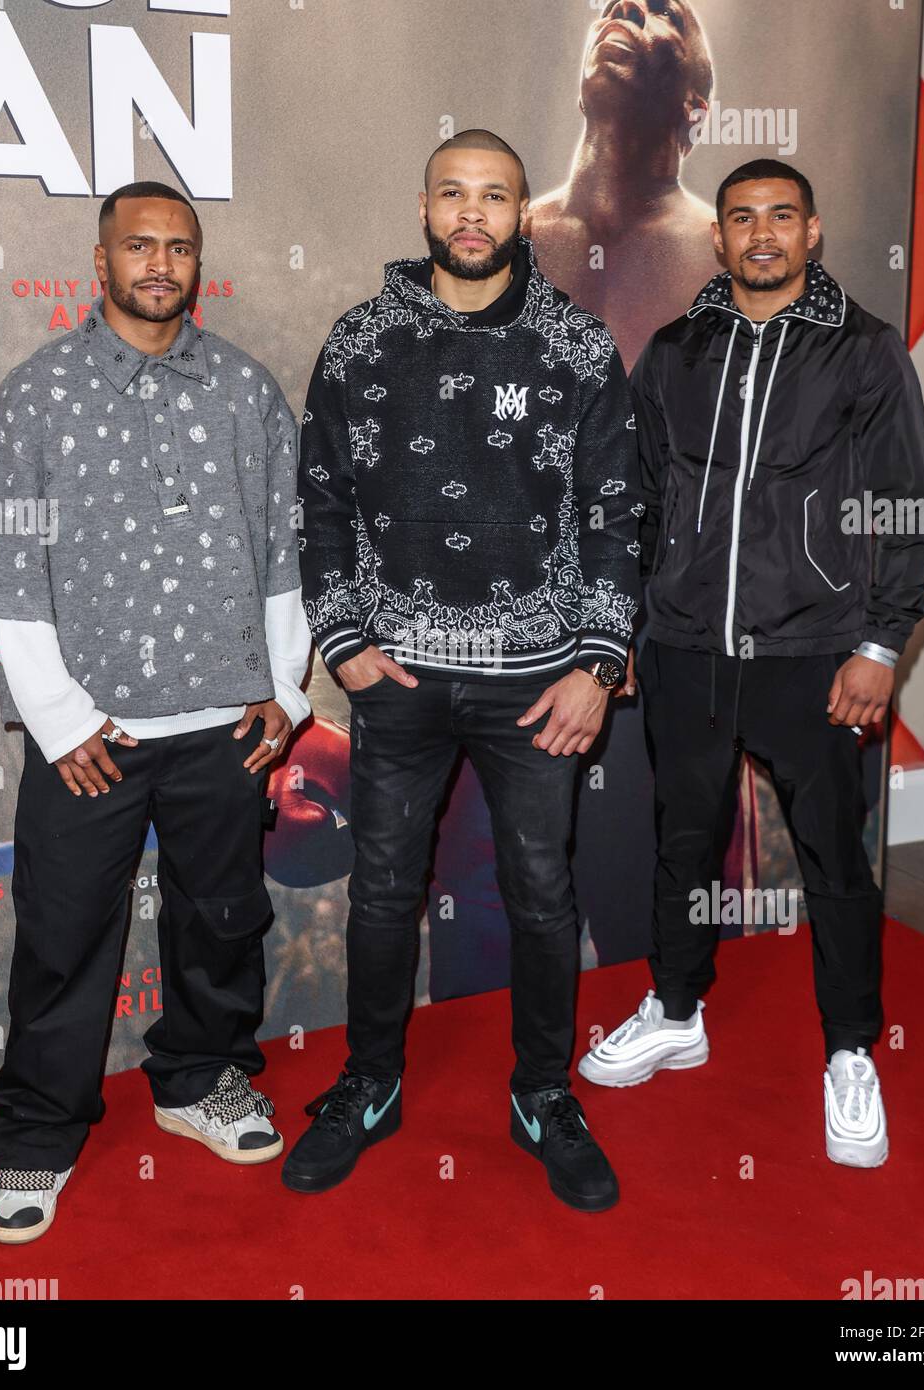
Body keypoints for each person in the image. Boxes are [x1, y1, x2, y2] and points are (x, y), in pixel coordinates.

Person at [0, 181, 311, 1243]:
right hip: (90, 734)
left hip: (224, 726)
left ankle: (199, 1078)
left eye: (178, 247)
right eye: (138, 245)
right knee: (61, 936)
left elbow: (283, 553)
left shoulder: (245, 389)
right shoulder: (36, 392)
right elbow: (4, 567)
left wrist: (285, 693)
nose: (159, 263)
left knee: (223, 921)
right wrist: (60, 719)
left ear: (198, 262)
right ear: (99, 263)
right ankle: (37, 1135)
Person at [287, 130, 641, 1212]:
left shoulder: (577, 346)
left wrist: (598, 660)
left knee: (542, 894)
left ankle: (541, 1093)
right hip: (395, 683)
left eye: (494, 195)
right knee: (385, 891)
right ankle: (371, 1081)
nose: (473, 213)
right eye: (454, 193)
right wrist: (343, 639)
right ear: (426, 207)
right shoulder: (358, 341)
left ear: (521, 212)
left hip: (537, 683)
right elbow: (321, 504)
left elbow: (617, 516)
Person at [580, 160, 924, 1169]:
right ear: (719, 237)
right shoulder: (676, 350)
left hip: (813, 653)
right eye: (741, 218)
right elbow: (641, 500)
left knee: (831, 859)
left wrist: (878, 643)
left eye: (781, 216)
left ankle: (850, 1051)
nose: (761, 234)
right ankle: (676, 1008)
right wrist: (638, 625)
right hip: (686, 649)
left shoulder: (861, 351)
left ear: (811, 232)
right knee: (677, 842)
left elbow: (904, 509)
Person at [525, 0, 718, 372]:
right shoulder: (509, 241)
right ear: (581, 95)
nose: (625, 7)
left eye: (665, 12)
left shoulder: (731, 258)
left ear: (694, 115)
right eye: (609, 7)